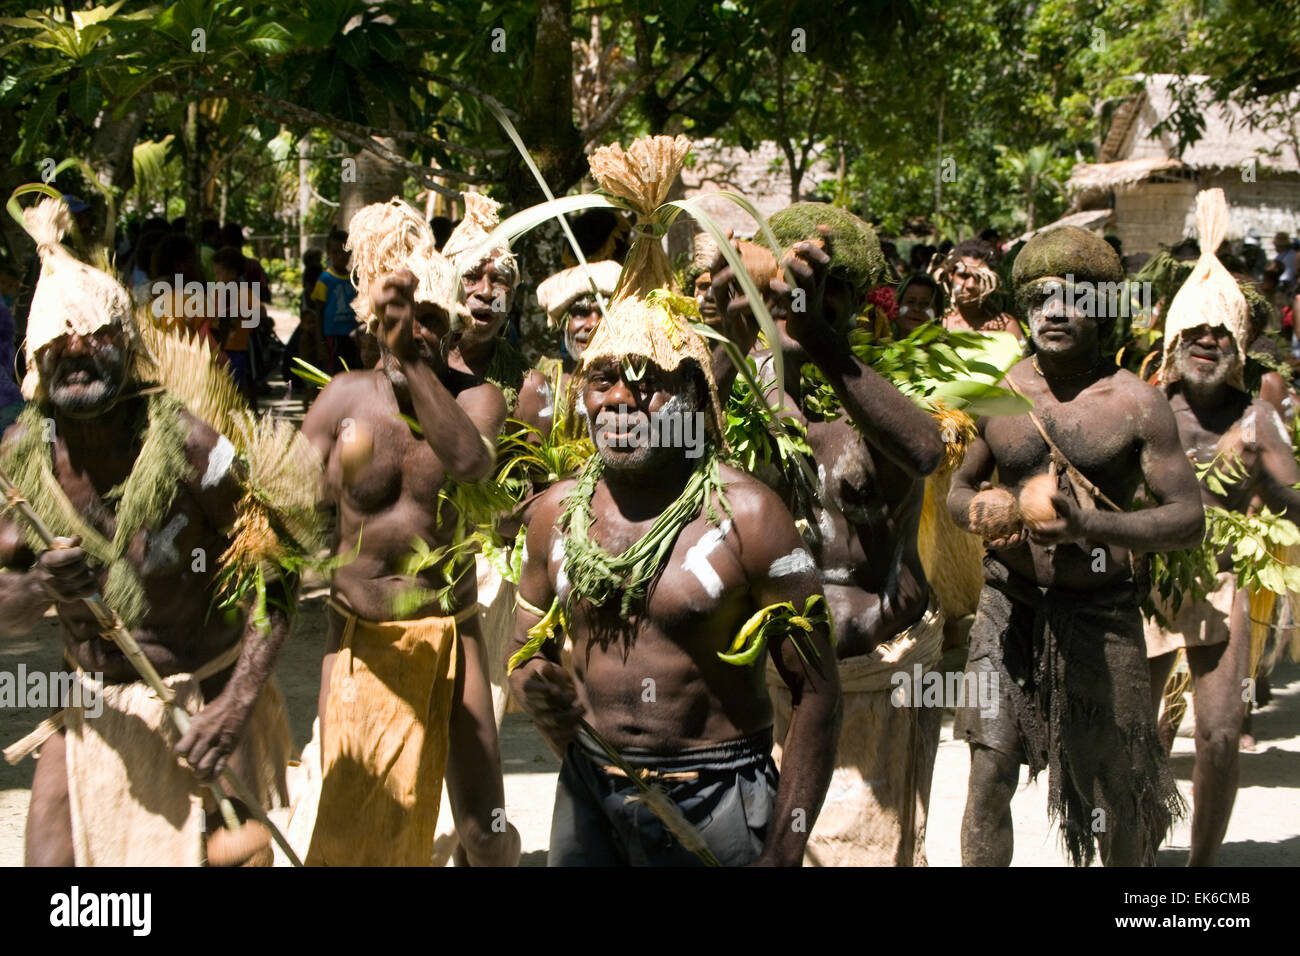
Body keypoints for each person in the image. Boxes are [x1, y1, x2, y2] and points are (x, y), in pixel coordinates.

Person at [508, 136, 839, 867]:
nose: (624, 397)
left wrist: (784, 853)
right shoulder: (554, 514)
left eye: (649, 378)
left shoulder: (747, 518)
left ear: (694, 392)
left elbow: (817, 693)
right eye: (604, 380)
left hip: (716, 800)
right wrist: (538, 685)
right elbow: (526, 649)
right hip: (590, 790)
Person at [0, 198, 301, 866]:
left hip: (207, 698)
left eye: (96, 337)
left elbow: (280, 573)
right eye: (57, 343)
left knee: (239, 861)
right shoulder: (23, 459)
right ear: (35, 361)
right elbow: (6, 607)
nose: (77, 354)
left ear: (128, 345)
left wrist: (236, 708)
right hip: (92, 707)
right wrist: (40, 585)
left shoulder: (191, 445)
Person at [948, 224, 1204, 867]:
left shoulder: (1138, 404)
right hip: (1008, 609)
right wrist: (985, 510)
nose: (1056, 312)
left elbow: (1187, 520)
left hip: (1101, 615)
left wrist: (1091, 528)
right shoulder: (997, 387)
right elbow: (957, 488)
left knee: (1120, 788)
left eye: (1075, 299)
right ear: (1024, 307)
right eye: (1041, 298)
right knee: (988, 776)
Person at [710, 202, 949, 865]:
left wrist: (821, 340)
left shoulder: (880, 403)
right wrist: (726, 335)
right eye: (781, 296)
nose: (797, 310)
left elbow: (926, 451)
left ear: (852, 311)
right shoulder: (738, 403)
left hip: (874, 677)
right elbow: (675, 456)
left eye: (825, 297)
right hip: (770, 684)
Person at [299, 199, 519, 867]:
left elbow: (471, 460)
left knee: (484, 829)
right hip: (359, 640)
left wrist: (416, 366)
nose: (414, 334)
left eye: (430, 323)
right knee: (352, 823)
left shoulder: (477, 397)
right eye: (404, 320)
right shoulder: (341, 398)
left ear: (446, 329)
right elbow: (282, 510)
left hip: (451, 629)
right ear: (374, 319)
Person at [1144, 191, 1300, 866]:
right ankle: (1136, 851)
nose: (1208, 343)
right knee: (1136, 731)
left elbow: (1296, 506)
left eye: (1221, 334)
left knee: (1218, 732)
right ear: (1175, 341)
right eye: (1196, 332)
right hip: (1140, 574)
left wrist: (1270, 492)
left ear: (1238, 348)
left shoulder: (1256, 421)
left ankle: (1201, 871)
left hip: (1222, 578)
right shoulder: (1142, 406)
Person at [528, 259, 622, 440]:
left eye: (604, 312)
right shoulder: (546, 379)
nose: (593, 324)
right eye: (581, 313)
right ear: (564, 323)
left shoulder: (633, 380)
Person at [940, 238, 1022, 340]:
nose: (970, 285)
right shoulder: (940, 322)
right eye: (964, 276)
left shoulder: (1005, 326)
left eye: (978, 278)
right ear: (951, 275)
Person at [309, 229, 360, 374]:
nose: (340, 257)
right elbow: (318, 313)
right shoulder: (325, 279)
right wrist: (320, 343)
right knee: (335, 374)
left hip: (352, 336)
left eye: (344, 252)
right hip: (332, 336)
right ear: (329, 253)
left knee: (353, 371)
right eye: (335, 252)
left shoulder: (355, 280)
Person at [894, 272, 946, 337]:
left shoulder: (950, 346)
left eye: (925, 304)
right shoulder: (880, 341)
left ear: (937, 313)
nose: (917, 309)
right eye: (910, 302)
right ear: (896, 306)